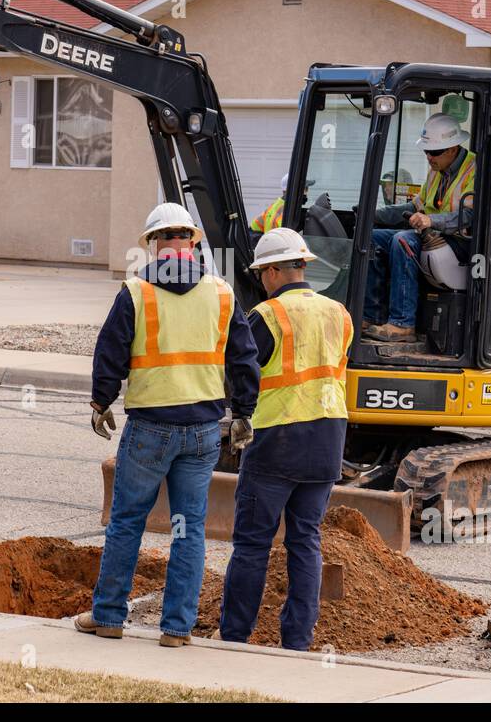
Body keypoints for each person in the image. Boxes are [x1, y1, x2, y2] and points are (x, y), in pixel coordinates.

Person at [77, 202, 260, 646]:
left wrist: (102, 400)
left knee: (127, 523)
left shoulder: (136, 293)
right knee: (187, 527)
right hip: (202, 430)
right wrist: (244, 412)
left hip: (150, 428)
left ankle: (109, 617)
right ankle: (176, 629)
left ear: (155, 245)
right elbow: (243, 357)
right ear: (193, 241)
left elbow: (111, 351)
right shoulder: (221, 293)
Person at [219, 228, 352, 651]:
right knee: (306, 541)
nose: (261, 279)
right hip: (328, 439)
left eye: (262, 272)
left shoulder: (268, 315)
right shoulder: (339, 313)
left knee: (252, 545)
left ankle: (235, 637)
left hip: (278, 441)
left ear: (275, 270)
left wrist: (237, 415)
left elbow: (243, 372)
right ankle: (297, 641)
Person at [363, 113, 475, 341]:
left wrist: (431, 221)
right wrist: (373, 213)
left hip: (462, 243)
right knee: (373, 238)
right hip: (431, 235)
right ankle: (372, 315)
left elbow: (470, 216)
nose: (428, 157)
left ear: (452, 149)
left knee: (402, 240)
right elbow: (417, 205)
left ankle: (403, 324)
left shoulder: (474, 170)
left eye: (433, 152)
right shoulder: (437, 170)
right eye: (426, 151)